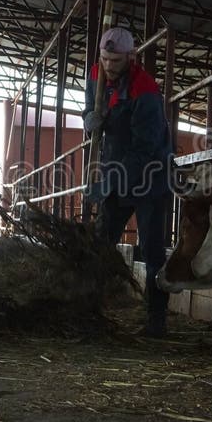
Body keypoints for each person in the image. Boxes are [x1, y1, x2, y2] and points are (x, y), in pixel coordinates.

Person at [83, 26, 173, 337]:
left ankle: (156, 320)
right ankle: (88, 309)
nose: (109, 66)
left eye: (116, 61)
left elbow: (144, 148)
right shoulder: (95, 74)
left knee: (152, 250)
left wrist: (109, 184)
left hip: (150, 175)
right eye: (105, 59)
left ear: (131, 57)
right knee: (101, 241)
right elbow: (90, 108)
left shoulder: (145, 90)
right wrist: (89, 119)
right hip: (116, 166)